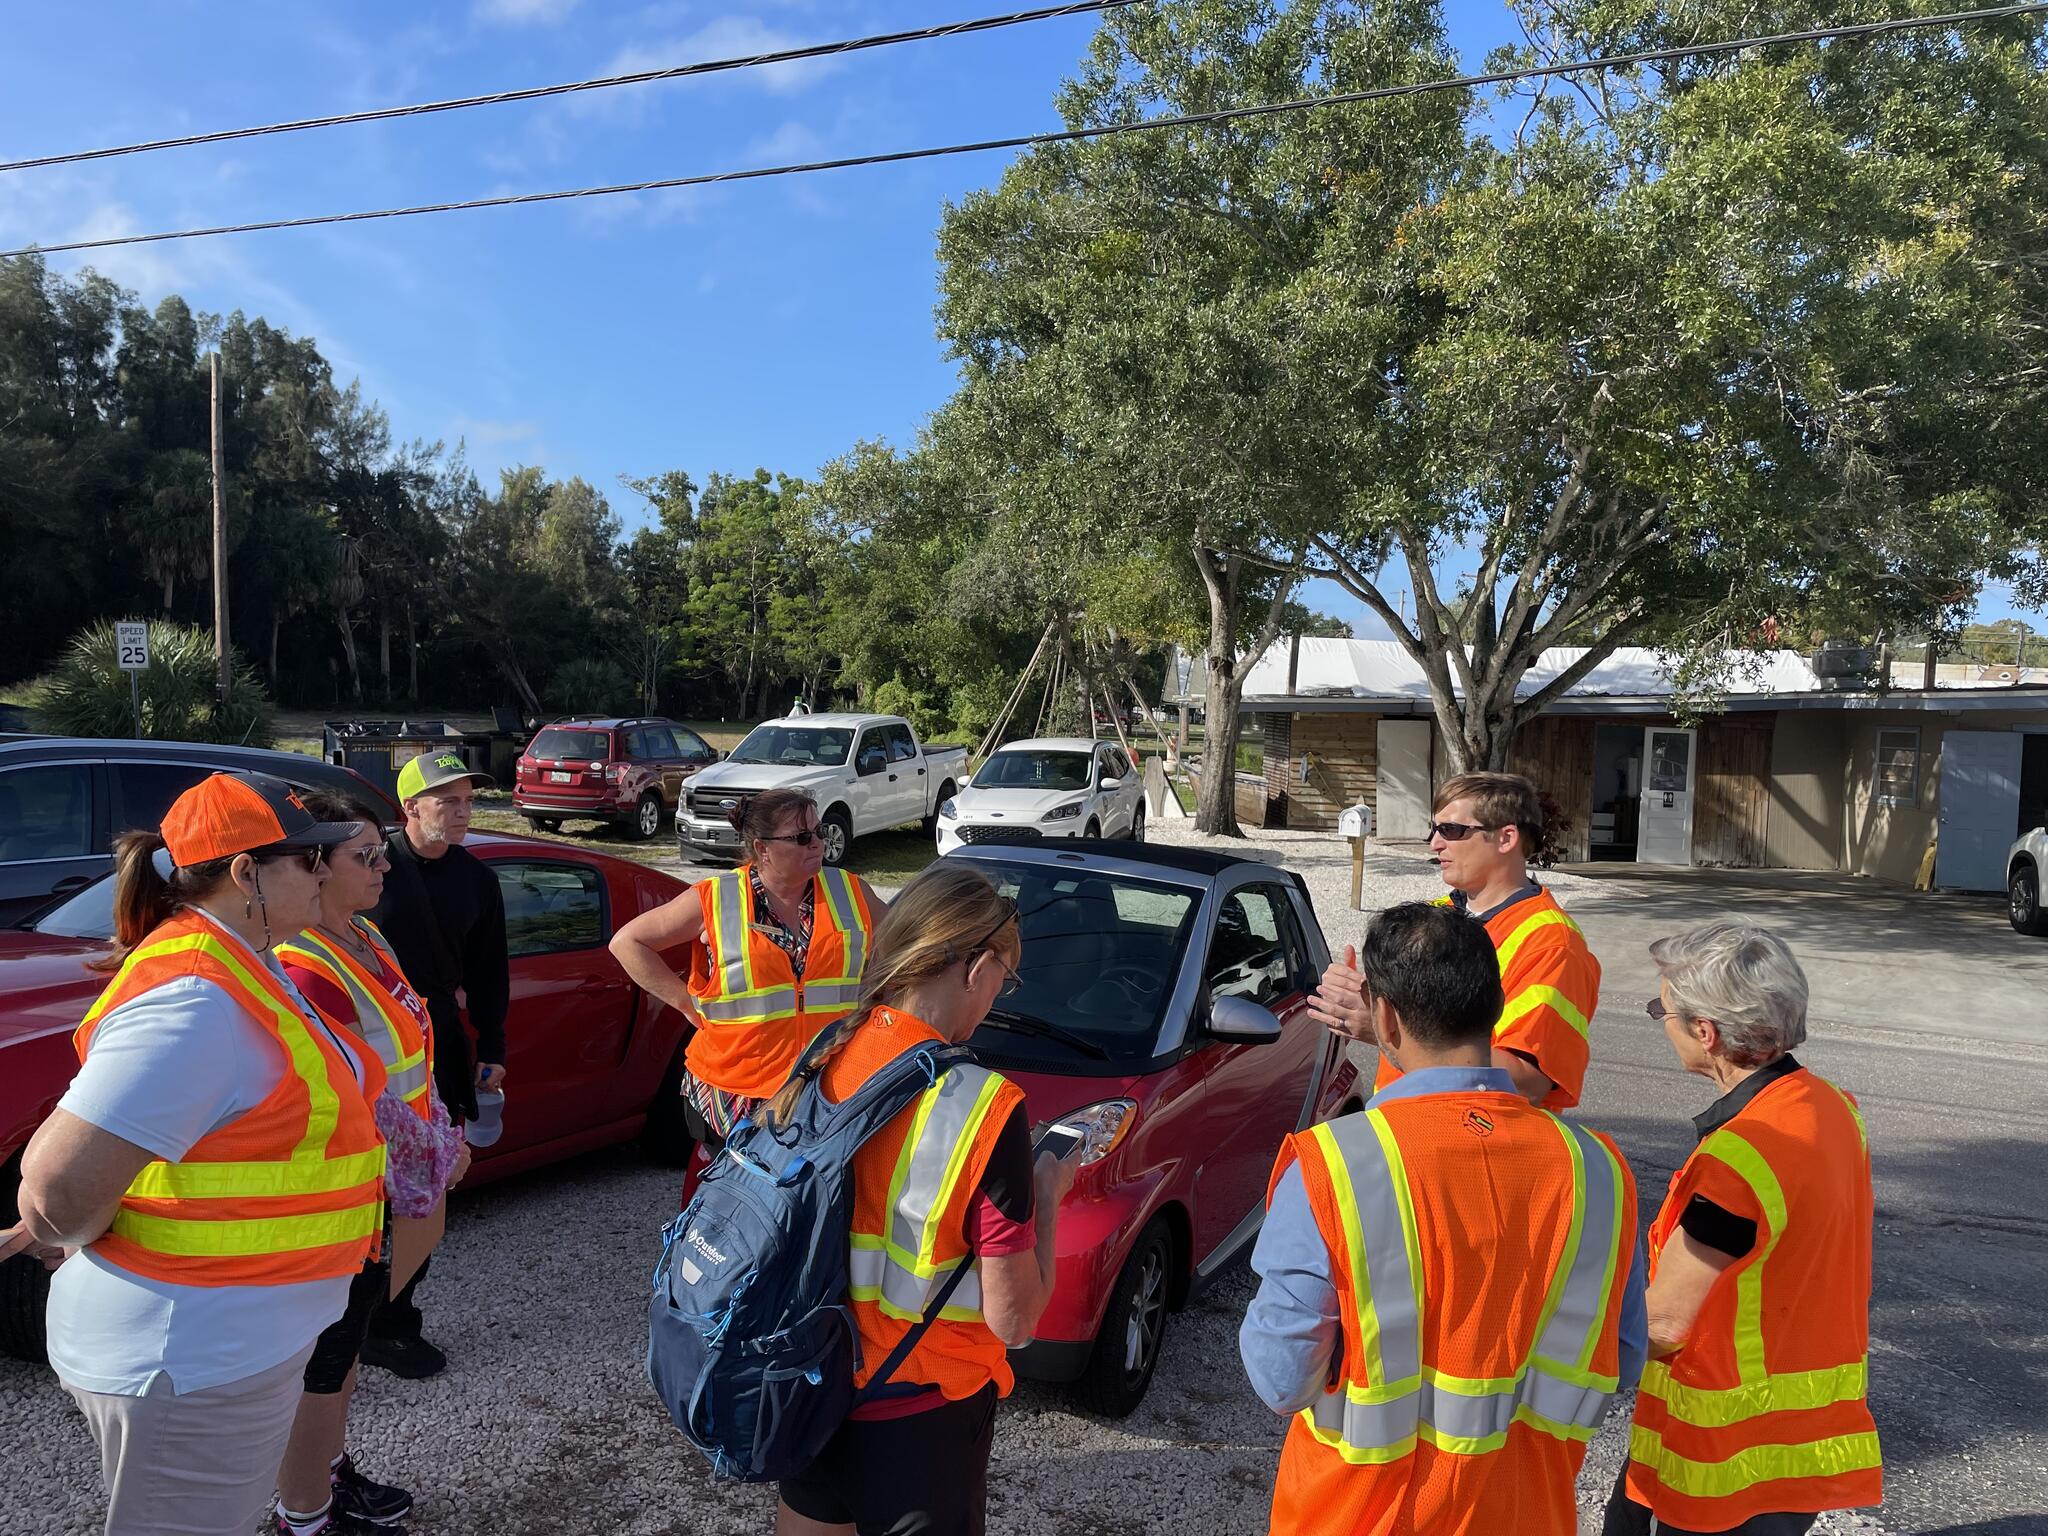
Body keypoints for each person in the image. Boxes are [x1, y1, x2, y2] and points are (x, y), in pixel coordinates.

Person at [0, 773, 381, 1536]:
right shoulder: (197, 999)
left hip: (217, 1340)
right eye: (309, 858)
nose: (326, 873)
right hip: (192, 1352)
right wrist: (67, 1226)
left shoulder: (241, 961)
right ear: (246, 873)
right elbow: (53, 1191)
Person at [1241, 901, 1644, 1536]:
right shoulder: (1599, 1172)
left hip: (1354, 1517)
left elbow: (1282, 1378)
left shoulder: (1334, 1166)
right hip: (1528, 1516)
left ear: (1384, 1016)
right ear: (1496, 1005)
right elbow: (1621, 1356)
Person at [769, 861, 1077, 1536]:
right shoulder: (987, 1109)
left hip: (809, 1385)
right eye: (1005, 977)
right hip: (920, 1418)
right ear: (976, 967)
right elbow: (1015, 1322)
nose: (998, 995)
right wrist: (1048, 1194)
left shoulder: (824, 1052)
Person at [1604, 924, 1881, 1536]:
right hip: (1799, 1446)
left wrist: (1547, 1355)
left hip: (1724, 1459)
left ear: (1706, 1032)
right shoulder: (1835, 1108)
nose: (1662, 1023)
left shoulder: (1738, 1161)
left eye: (1661, 1011)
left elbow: (1664, 1324)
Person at [271, 793, 472, 1536]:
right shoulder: (305, 966)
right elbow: (359, 1099)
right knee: (323, 1369)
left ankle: (324, 1476)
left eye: (382, 850)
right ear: (314, 867)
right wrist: (438, 1154)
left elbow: (411, 1055)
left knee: (344, 1356)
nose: (386, 865)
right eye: (366, 855)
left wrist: (440, 1133)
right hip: (346, 1194)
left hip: (380, 1187)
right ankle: (305, 1515)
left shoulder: (365, 935)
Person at [608, 788, 883, 1150]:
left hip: (822, 1090)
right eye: (802, 837)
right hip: (733, 1096)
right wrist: (684, 1003)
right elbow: (627, 943)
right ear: (762, 848)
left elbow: (908, 945)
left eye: (819, 831)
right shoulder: (716, 898)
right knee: (737, 1187)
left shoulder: (850, 892)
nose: (817, 843)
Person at [1310, 771, 1598, 1108]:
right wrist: (1356, 1000)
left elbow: (1528, 1082)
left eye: (1451, 830)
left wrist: (1385, 1029)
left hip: (1477, 1134)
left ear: (1506, 838)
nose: (1434, 844)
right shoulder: (1435, 916)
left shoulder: (1552, 944)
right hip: (1402, 1124)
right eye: (1433, 830)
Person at [364, 748, 507, 1379]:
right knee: (366, 1192)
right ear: (410, 808)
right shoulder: (371, 869)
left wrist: (493, 1049)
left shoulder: (478, 880)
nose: (461, 812)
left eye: (468, 801)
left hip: (437, 1049)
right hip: (368, 1050)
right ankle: (350, 1321)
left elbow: (490, 974)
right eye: (447, 800)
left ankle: (392, 1323)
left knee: (427, 1192)